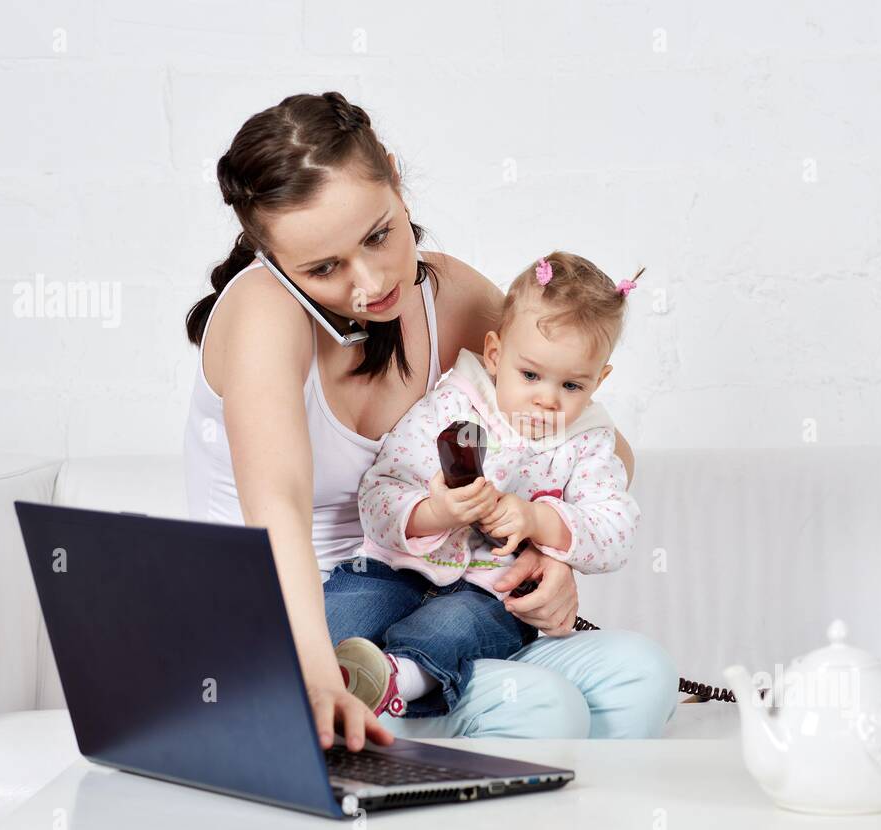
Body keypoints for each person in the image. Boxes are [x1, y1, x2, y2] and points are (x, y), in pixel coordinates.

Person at [182, 91, 678, 752]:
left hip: (438, 607)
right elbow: (277, 506)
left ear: (393, 175)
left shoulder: (447, 293)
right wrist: (317, 679)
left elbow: (595, 443)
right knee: (542, 709)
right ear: (275, 261)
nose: (368, 283)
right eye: (324, 268)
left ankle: (411, 700)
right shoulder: (265, 314)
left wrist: (547, 547)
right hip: (297, 629)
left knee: (641, 678)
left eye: (378, 235)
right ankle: (373, 709)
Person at [328, 251, 646, 720]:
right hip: (395, 568)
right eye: (531, 374)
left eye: (572, 386)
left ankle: (399, 679)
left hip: (488, 592)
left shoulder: (589, 442)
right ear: (496, 354)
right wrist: (436, 513)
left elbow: (616, 532)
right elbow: (379, 492)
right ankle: (294, 682)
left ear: (599, 380)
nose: (547, 398)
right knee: (339, 616)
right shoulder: (455, 404)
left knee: (456, 628)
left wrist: (540, 520)